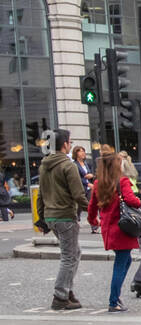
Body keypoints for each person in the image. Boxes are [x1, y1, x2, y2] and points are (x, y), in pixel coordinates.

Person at [36, 130, 89, 310]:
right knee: (69, 257)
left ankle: (67, 291)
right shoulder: (68, 165)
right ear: (64, 144)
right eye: (70, 141)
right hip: (65, 215)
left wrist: (41, 217)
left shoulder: (44, 165)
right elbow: (78, 194)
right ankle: (60, 295)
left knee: (75, 253)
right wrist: (92, 211)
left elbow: (40, 194)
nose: (71, 143)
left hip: (51, 216)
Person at [86, 152, 141, 312]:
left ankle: (116, 297)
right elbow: (131, 200)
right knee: (120, 263)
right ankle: (113, 300)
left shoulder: (98, 183)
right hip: (122, 227)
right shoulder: (122, 181)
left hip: (108, 228)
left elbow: (92, 206)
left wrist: (92, 220)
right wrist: (138, 201)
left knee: (125, 260)